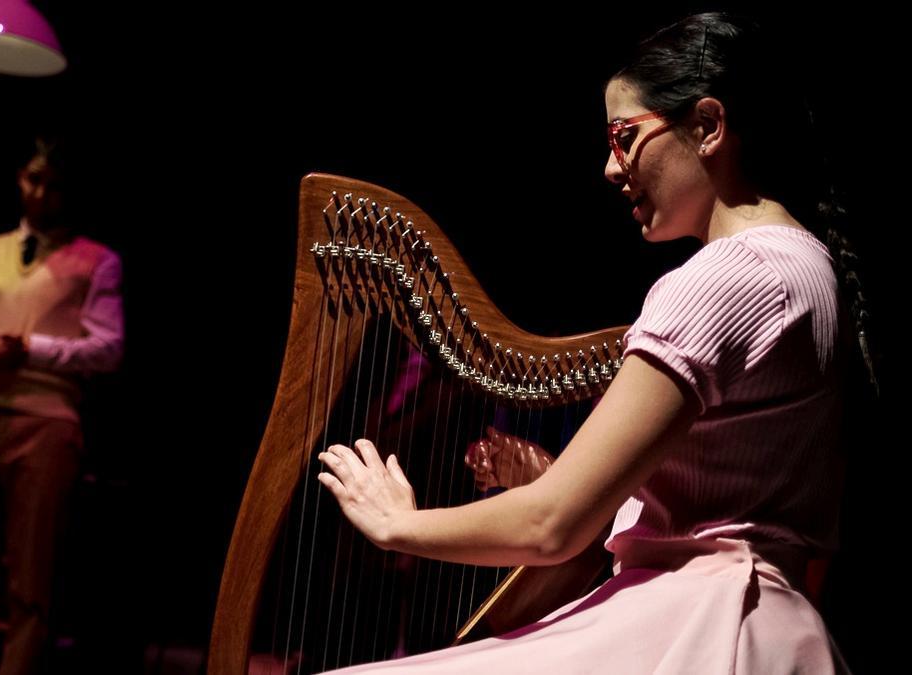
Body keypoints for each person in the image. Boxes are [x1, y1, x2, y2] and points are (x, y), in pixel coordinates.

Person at [316, 12, 869, 672]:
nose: (610, 167)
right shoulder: (809, 267)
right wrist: (570, 479)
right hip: (765, 626)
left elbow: (553, 526)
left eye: (625, 137)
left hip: (700, 621)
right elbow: (736, 493)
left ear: (709, 126)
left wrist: (396, 522)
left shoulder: (728, 276)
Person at [0, 137, 124, 675]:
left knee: (31, 582)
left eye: (54, 184)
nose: (40, 194)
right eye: (32, 180)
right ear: (19, 179)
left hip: (45, 423)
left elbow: (108, 347)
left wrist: (32, 348)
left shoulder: (97, 260)